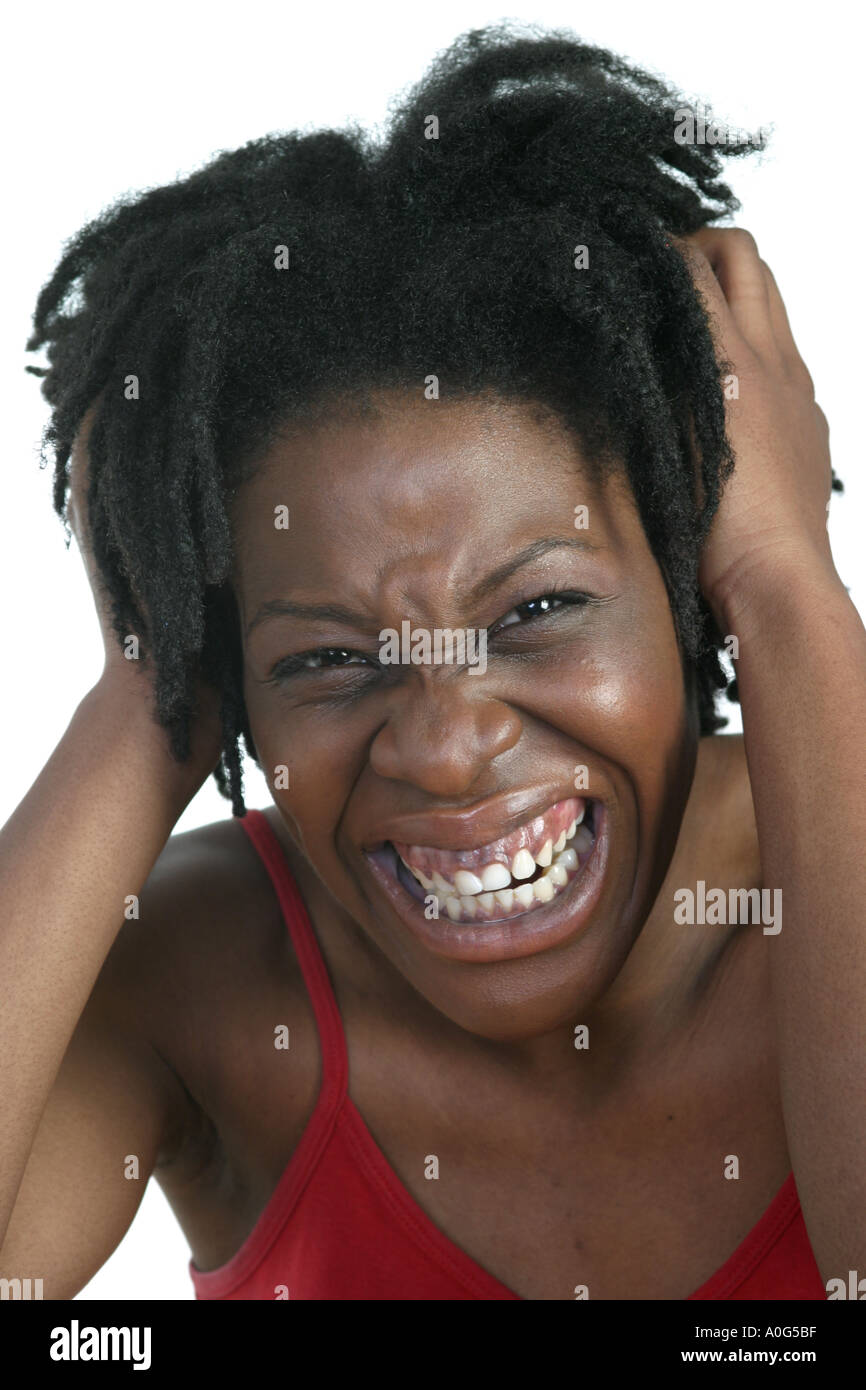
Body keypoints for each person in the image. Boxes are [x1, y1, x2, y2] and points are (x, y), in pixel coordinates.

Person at [1, 24, 862, 1301]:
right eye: (329, 660)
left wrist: (791, 593)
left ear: (689, 583)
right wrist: (145, 691)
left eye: (535, 611)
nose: (447, 746)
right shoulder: (189, 981)